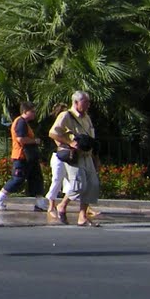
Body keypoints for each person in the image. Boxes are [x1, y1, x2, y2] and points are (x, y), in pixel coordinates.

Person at [49, 90, 100, 227]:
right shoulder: (66, 116)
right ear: (76, 102)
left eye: (88, 102)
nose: (88, 105)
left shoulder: (86, 117)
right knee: (79, 185)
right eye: (85, 102)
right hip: (74, 156)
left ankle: (82, 216)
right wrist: (69, 142)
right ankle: (62, 205)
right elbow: (53, 133)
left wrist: (95, 157)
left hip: (87, 155)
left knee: (92, 184)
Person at [0, 102, 48, 212]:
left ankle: (40, 203)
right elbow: (20, 139)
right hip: (21, 156)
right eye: (32, 111)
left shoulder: (24, 123)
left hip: (29, 156)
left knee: (36, 178)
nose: (34, 113)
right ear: (25, 111)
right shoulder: (20, 122)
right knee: (18, 179)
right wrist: (35, 141)